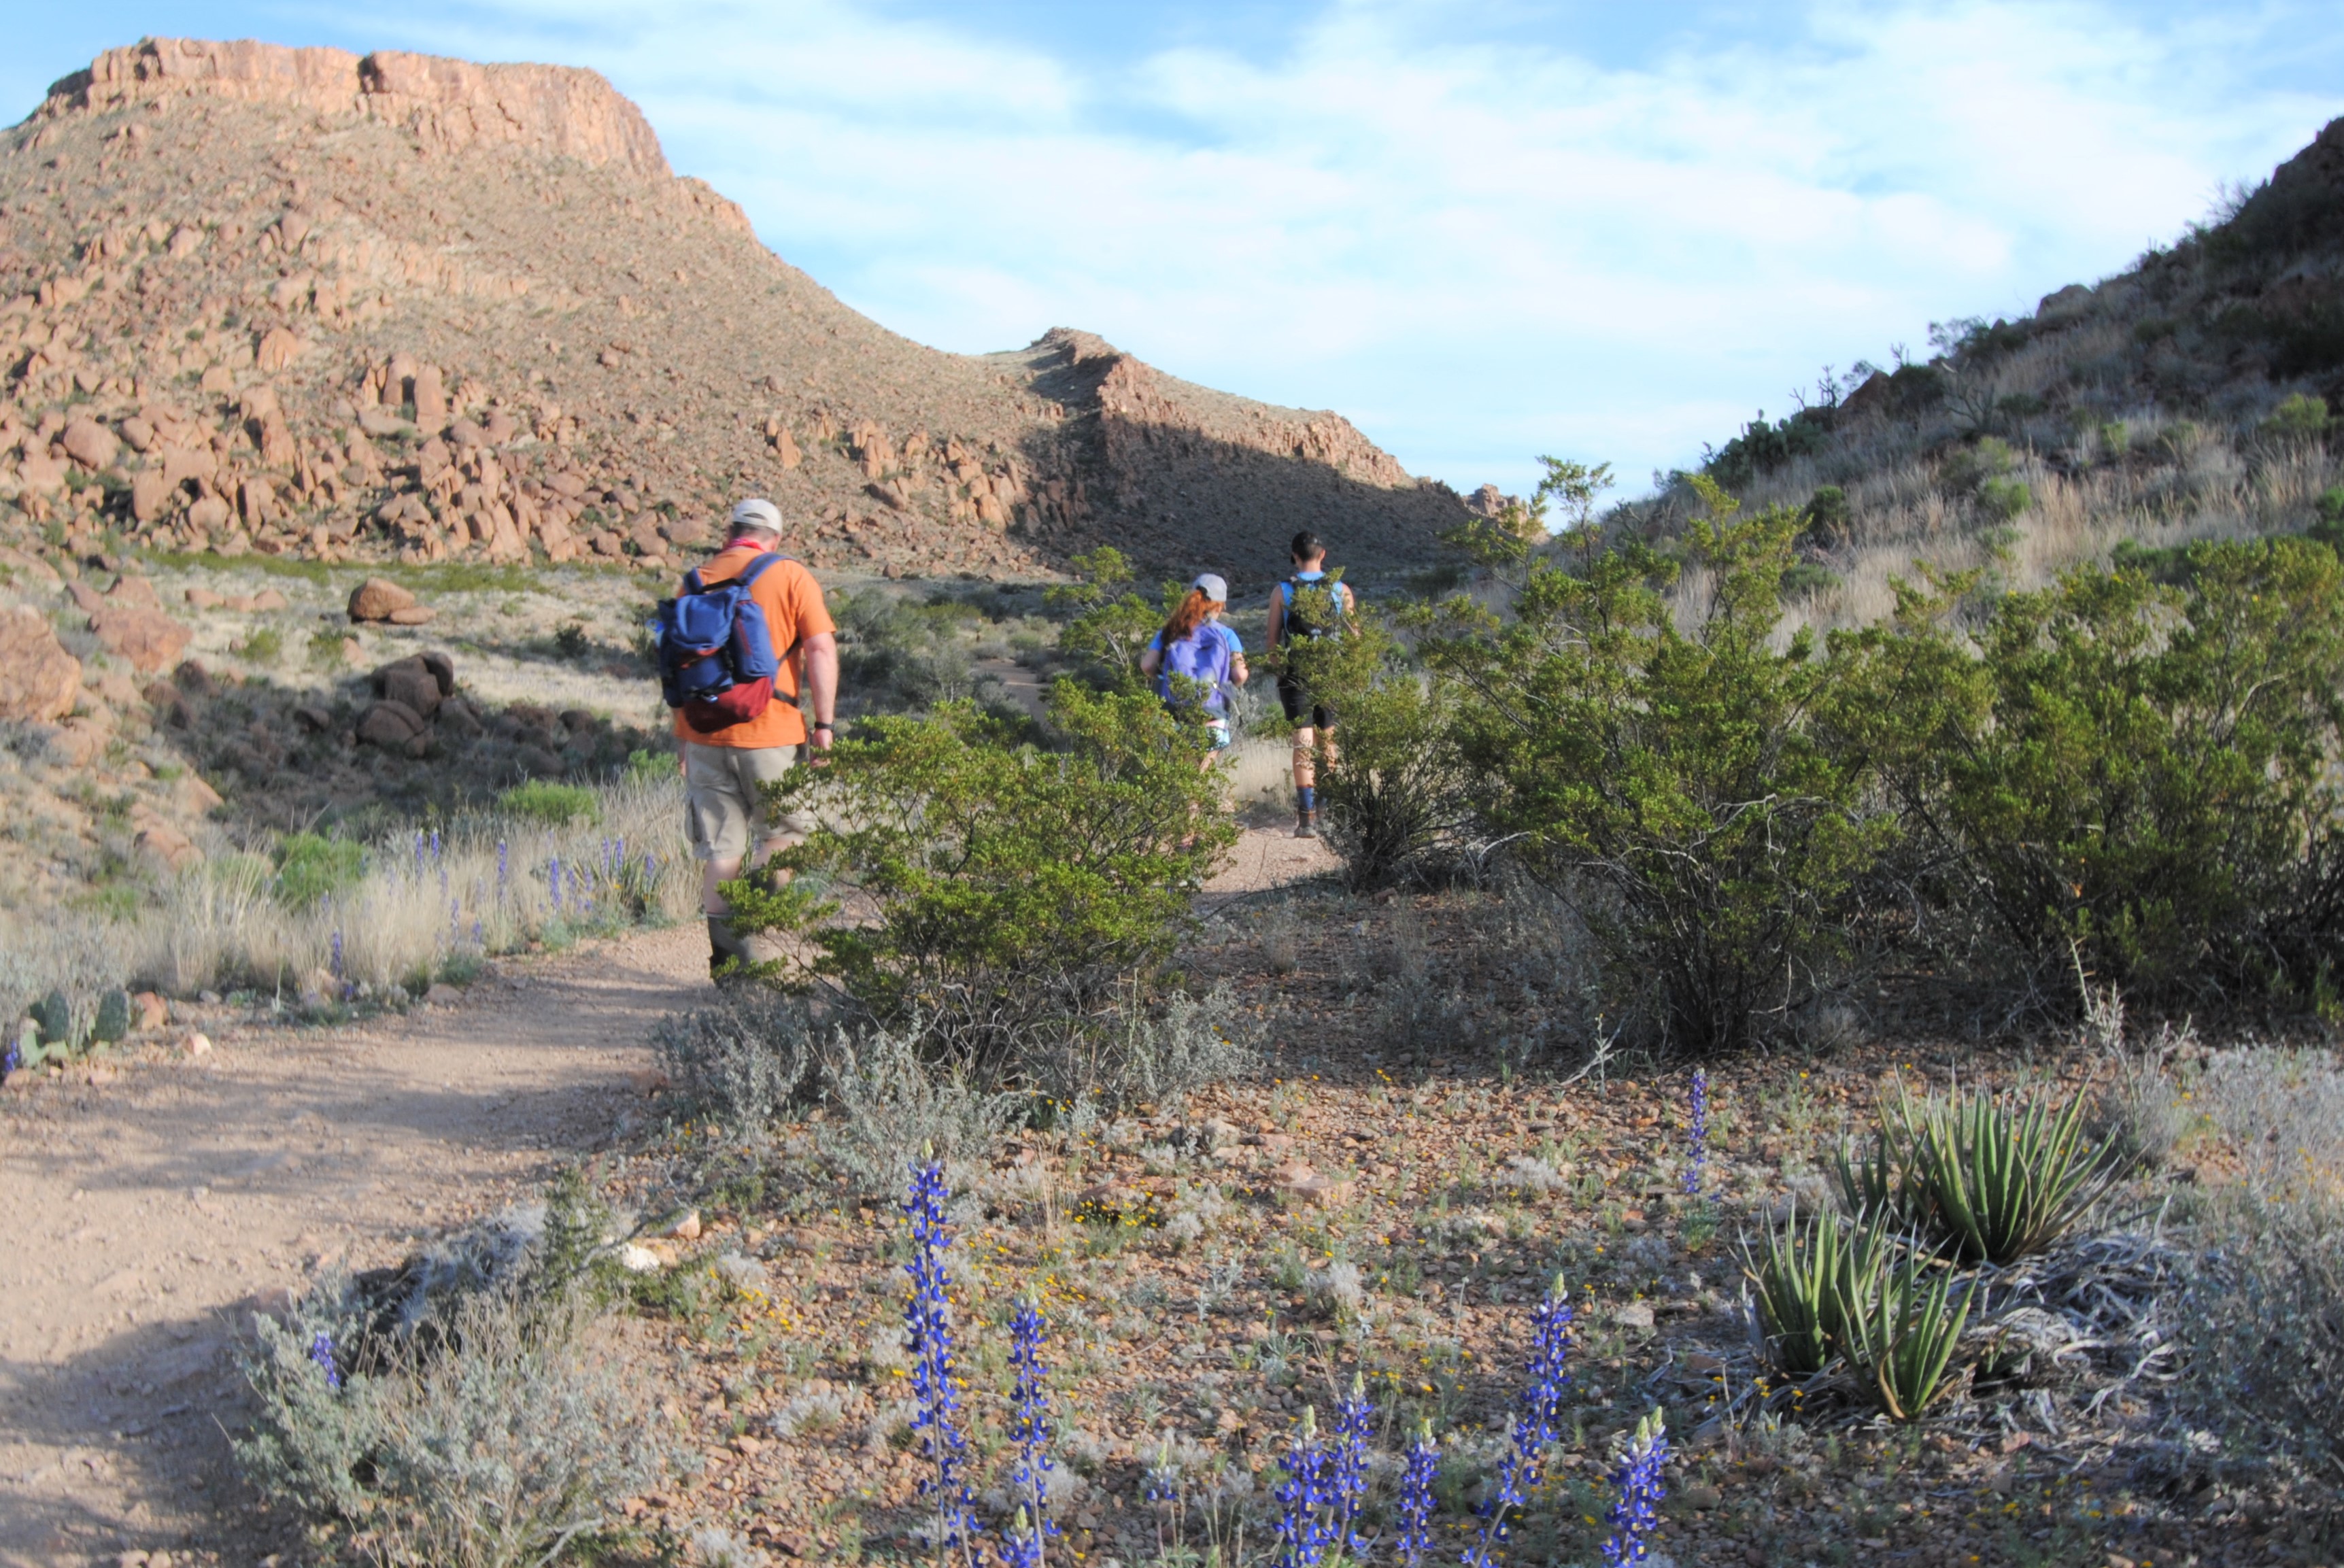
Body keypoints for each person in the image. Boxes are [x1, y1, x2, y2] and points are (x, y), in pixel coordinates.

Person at [674, 498, 838, 978]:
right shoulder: (790, 575)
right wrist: (824, 724)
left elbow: (677, 666)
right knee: (785, 834)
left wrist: (682, 735)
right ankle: (753, 922)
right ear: (776, 538)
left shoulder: (694, 579)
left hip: (703, 732)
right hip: (772, 731)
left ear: (731, 532)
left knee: (721, 850)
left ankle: (727, 966)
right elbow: (820, 647)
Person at [1266, 530, 1355, 838]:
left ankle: (1307, 819)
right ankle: (1331, 810)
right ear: (1323, 555)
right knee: (1329, 742)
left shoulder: (1283, 591)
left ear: (1294, 556)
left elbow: (1273, 643)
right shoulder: (1341, 590)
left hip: (1297, 675)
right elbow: (1354, 637)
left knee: (1303, 745)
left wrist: (1281, 677)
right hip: (1331, 674)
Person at [1138, 572, 1247, 766]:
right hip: (1214, 707)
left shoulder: (1171, 630)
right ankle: (1197, 792)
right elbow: (1239, 674)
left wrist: (1164, 678)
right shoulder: (1227, 634)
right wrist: (1228, 688)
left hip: (1175, 706)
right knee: (1204, 764)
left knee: (1180, 762)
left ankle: (1184, 794)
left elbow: (1147, 665)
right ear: (1220, 605)